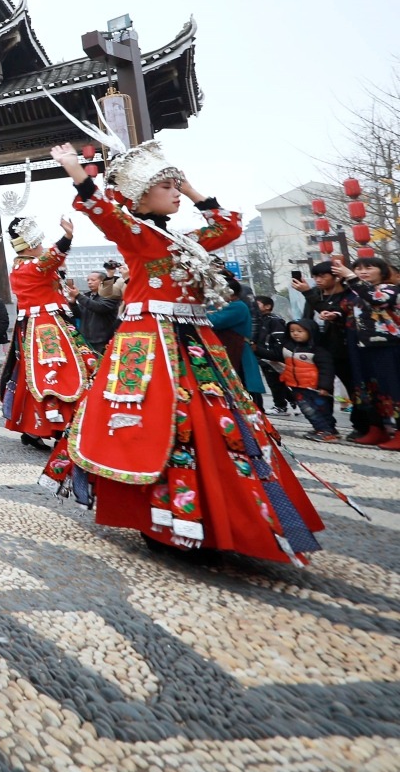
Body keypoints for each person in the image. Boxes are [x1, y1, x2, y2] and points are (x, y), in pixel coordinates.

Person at [50, 137, 323, 565]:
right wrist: (75, 171)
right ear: (141, 198)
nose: (176, 193)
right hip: (153, 342)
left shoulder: (185, 240)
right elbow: (103, 213)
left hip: (195, 342)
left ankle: (224, 511)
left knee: (212, 421)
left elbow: (228, 227)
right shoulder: (138, 236)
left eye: (175, 186)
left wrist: (193, 188)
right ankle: (166, 514)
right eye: (166, 187)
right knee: (164, 422)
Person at [0, 215, 97, 454]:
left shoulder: (24, 266)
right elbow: (52, 256)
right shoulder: (30, 266)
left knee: (34, 375)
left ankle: (36, 425)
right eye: (39, 243)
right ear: (31, 246)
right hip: (46, 328)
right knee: (57, 373)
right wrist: (67, 237)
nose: (43, 246)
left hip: (47, 324)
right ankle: (56, 423)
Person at [332, 256, 400, 450]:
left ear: (382, 271)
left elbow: (376, 299)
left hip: (387, 345)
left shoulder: (389, 289)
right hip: (360, 346)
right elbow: (346, 309)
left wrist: (352, 278)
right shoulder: (356, 292)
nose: (362, 271)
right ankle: (376, 427)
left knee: (392, 387)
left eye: (368, 268)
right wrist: (335, 314)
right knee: (367, 388)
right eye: (358, 268)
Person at [291, 262, 365, 437]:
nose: (318, 280)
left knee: (354, 387)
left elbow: (335, 314)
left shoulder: (348, 295)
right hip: (318, 350)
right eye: (316, 276)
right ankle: (326, 426)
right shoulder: (315, 293)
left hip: (344, 349)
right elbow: (307, 319)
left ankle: (361, 426)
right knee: (322, 389)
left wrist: (307, 293)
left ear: (337, 276)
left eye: (323, 276)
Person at [258, 320, 338, 442]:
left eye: (300, 331)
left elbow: (327, 370)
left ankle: (326, 431)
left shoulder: (318, 350)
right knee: (308, 410)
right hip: (297, 387)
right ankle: (325, 429)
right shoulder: (288, 347)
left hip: (315, 387)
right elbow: (275, 355)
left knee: (321, 410)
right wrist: (257, 349)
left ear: (311, 332)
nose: (295, 334)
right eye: (292, 331)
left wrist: (325, 387)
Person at [208, 277, 265, 410]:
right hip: (226, 350)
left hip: (238, 352)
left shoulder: (237, 306)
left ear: (230, 293)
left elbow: (214, 321)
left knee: (241, 385)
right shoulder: (220, 305)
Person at [253, 295, 293, 414]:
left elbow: (280, 338)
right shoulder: (259, 319)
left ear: (267, 306)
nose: (254, 307)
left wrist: (276, 354)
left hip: (271, 356)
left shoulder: (274, 320)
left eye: (257, 304)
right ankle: (291, 400)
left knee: (275, 382)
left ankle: (280, 405)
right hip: (264, 356)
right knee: (276, 381)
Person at [65, 270, 120, 354]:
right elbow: (79, 315)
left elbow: (99, 307)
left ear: (103, 282)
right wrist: (73, 303)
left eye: (93, 280)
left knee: (101, 364)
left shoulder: (110, 295)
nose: (89, 282)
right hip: (86, 339)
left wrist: (78, 296)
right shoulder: (87, 296)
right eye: (88, 280)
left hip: (102, 340)